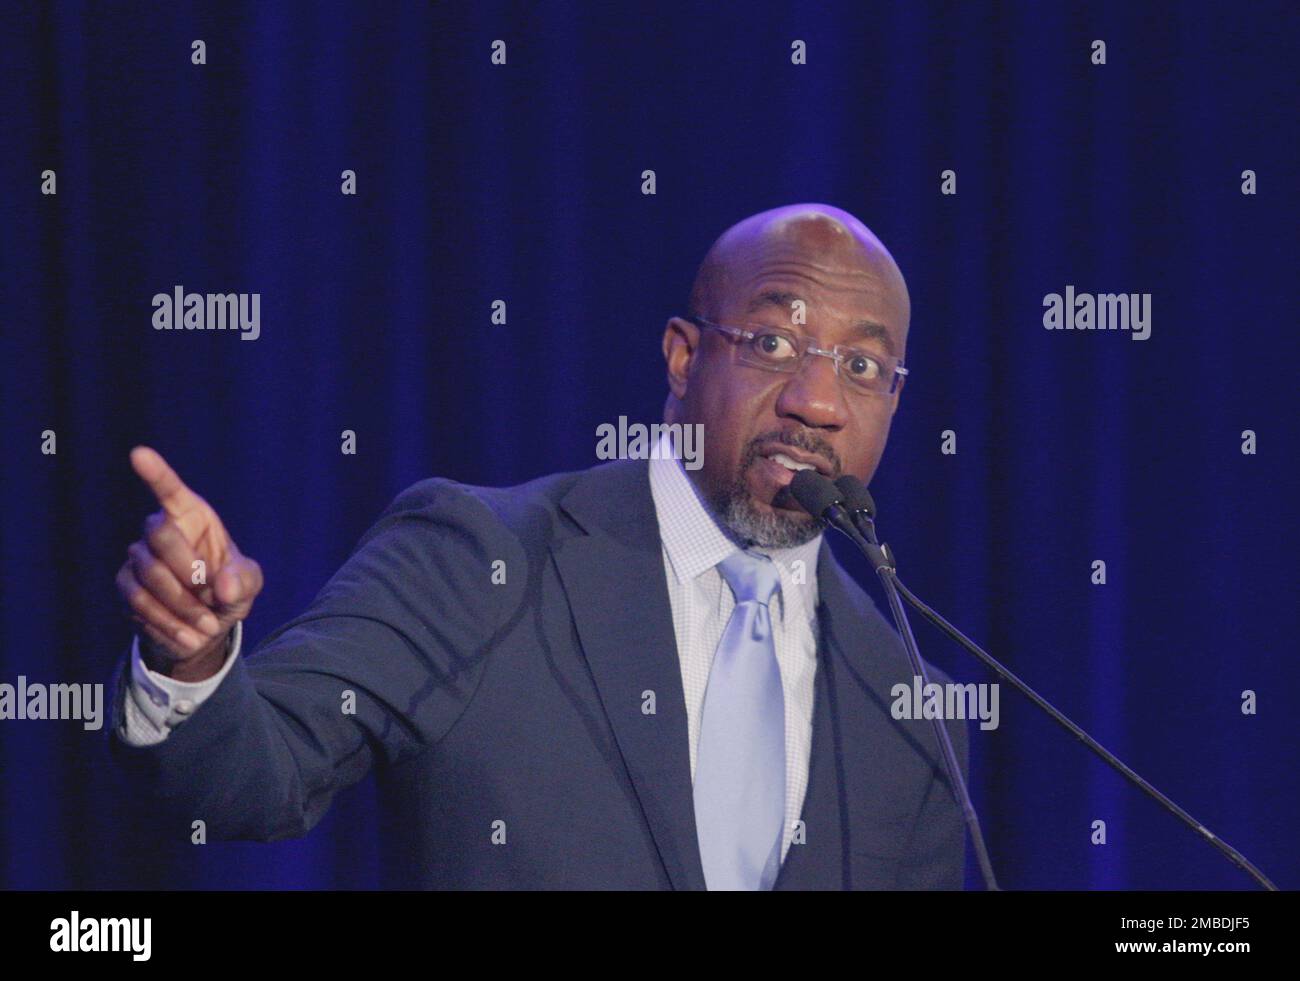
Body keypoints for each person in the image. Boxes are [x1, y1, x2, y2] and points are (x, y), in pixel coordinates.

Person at [110, 202, 968, 889]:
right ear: (682, 356)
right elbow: (246, 782)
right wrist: (195, 657)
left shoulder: (908, 709)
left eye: (862, 367)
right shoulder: (482, 560)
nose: (817, 401)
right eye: (775, 343)